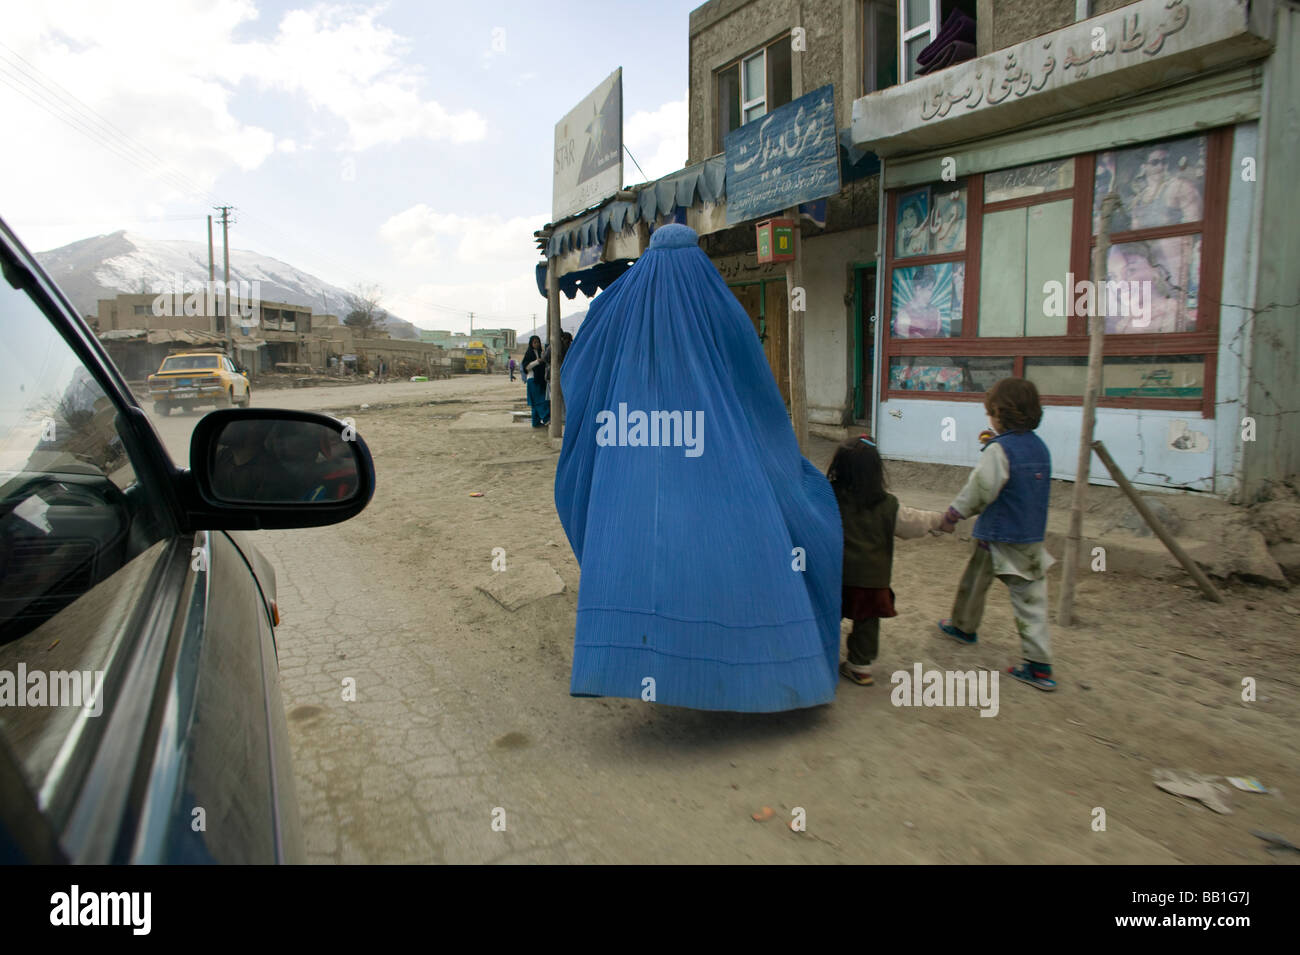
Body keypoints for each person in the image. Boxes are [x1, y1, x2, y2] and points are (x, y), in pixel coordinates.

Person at [554, 224, 843, 712]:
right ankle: (751, 665)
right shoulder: (717, 302)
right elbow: (753, 387)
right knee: (725, 543)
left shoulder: (619, 305)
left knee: (644, 546)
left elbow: (580, 362)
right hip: (711, 447)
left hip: (632, 445)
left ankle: (644, 655)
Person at [936, 377, 1057, 691]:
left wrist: (953, 515)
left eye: (991, 412)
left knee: (997, 591)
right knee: (992, 584)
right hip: (1028, 534)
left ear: (1002, 413)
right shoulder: (1040, 448)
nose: (988, 418)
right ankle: (964, 626)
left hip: (1000, 533)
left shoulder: (999, 449)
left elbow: (980, 489)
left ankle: (1038, 666)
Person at [829, 435, 944, 686]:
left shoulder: (830, 497)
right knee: (867, 625)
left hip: (835, 579)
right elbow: (913, 522)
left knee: (827, 618)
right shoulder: (887, 505)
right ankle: (860, 667)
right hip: (872, 583)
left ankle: (821, 657)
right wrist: (938, 521)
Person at [522, 335, 550, 427]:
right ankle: (546, 418)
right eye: (534, 342)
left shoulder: (541, 352)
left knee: (535, 402)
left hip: (540, 379)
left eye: (538, 342)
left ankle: (536, 423)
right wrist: (537, 362)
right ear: (531, 343)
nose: (537, 344)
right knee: (540, 400)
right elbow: (526, 367)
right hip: (533, 379)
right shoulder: (529, 353)